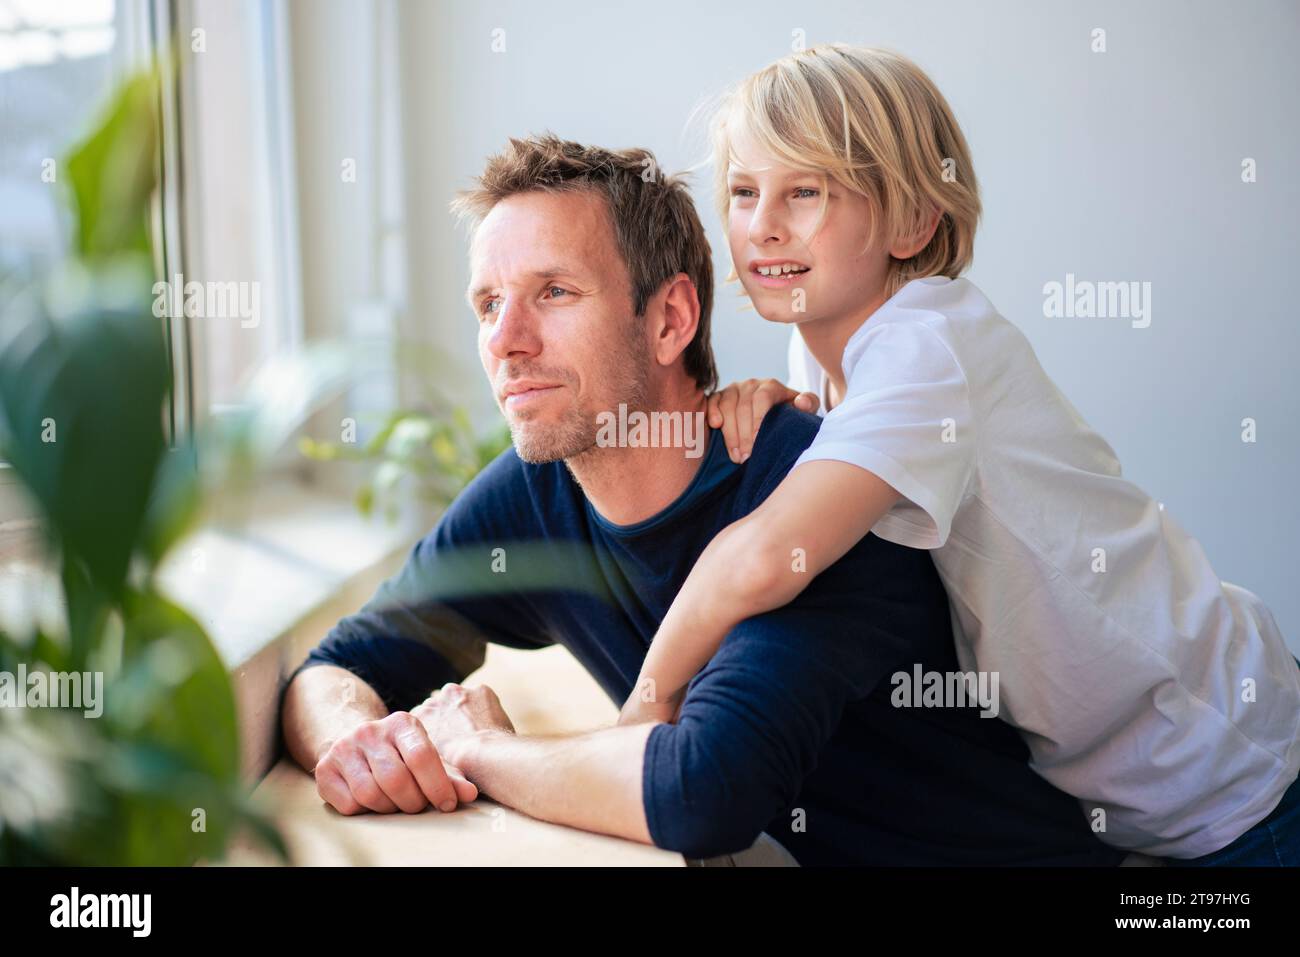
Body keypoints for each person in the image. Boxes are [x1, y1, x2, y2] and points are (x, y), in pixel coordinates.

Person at [281, 133, 1124, 866]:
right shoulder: (537, 488)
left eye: (554, 292)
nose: (505, 340)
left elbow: (702, 789)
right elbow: (338, 666)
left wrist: (477, 747)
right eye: (488, 303)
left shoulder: (807, 498)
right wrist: (362, 745)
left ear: (670, 318)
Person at [616, 44, 1300, 864]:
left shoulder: (926, 343)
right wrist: (789, 405)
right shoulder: (830, 355)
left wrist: (636, 725)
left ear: (912, 221)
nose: (763, 222)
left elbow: (765, 557)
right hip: (1150, 798)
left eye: (806, 191)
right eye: (742, 191)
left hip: (1242, 778)